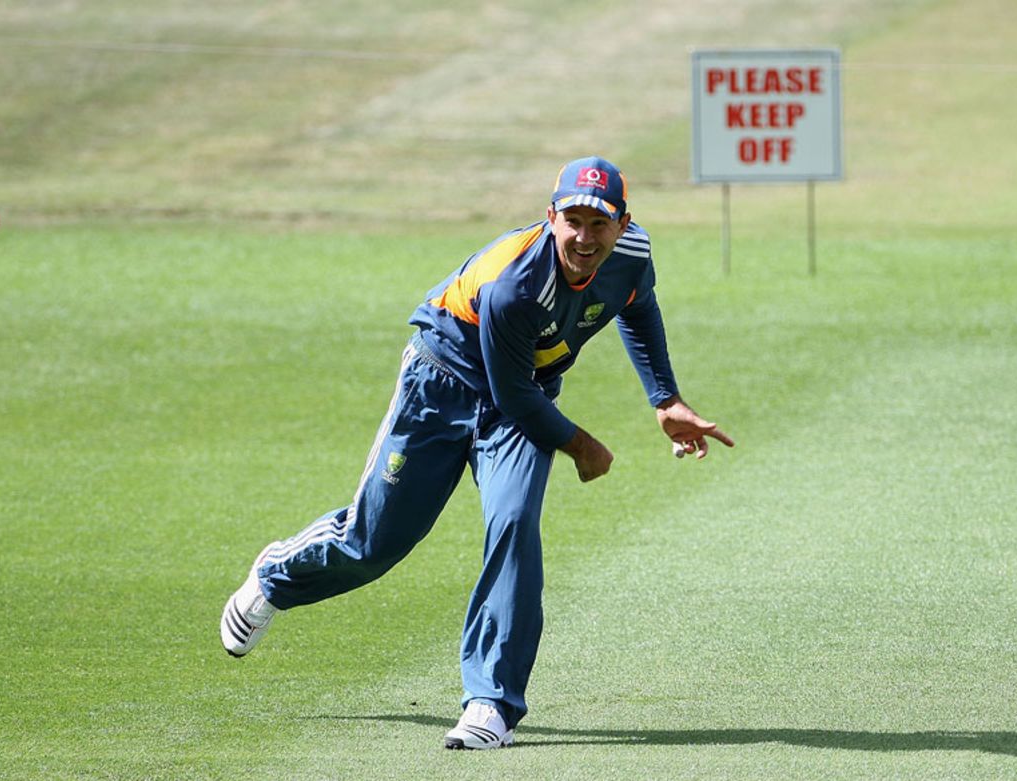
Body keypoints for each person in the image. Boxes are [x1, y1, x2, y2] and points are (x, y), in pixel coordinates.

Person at [220, 156, 734, 750]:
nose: (585, 237)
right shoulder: (515, 283)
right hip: (441, 384)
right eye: (573, 220)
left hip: (523, 398)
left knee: (514, 523)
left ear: (623, 224)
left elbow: (637, 305)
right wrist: (580, 445)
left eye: (600, 223)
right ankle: (276, 575)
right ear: (551, 217)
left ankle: (490, 703)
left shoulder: (632, 253)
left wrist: (664, 398)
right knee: (375, 543)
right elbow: (512, 392)